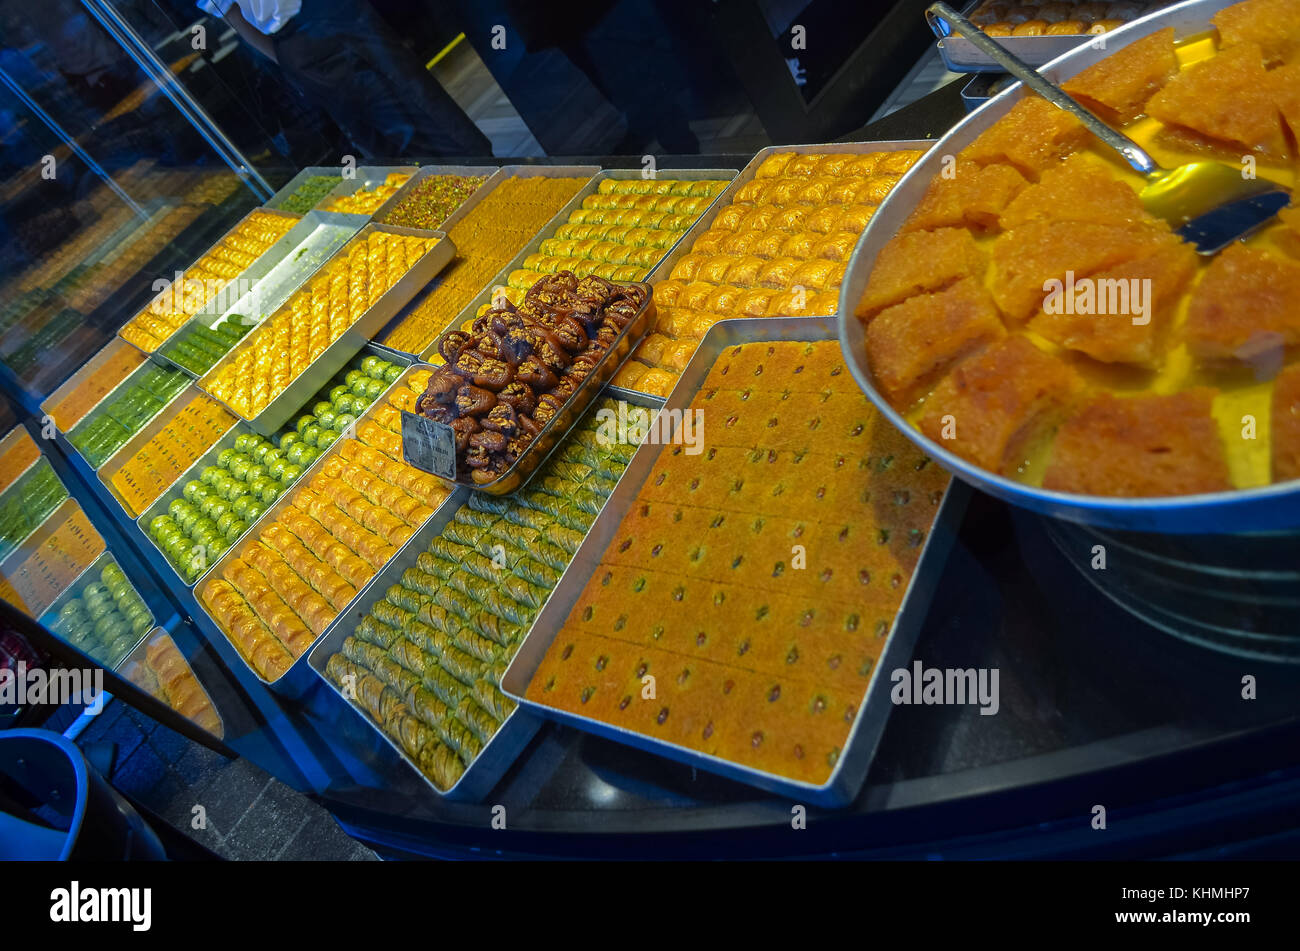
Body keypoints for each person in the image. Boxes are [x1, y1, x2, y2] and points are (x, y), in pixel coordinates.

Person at [201, 0, 493, 159]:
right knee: (417, 109)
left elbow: (235, 18)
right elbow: (235, 17)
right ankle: (487, 193)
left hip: (294, 42)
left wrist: (291, 61)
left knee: (390, 135)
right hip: (320, 23)